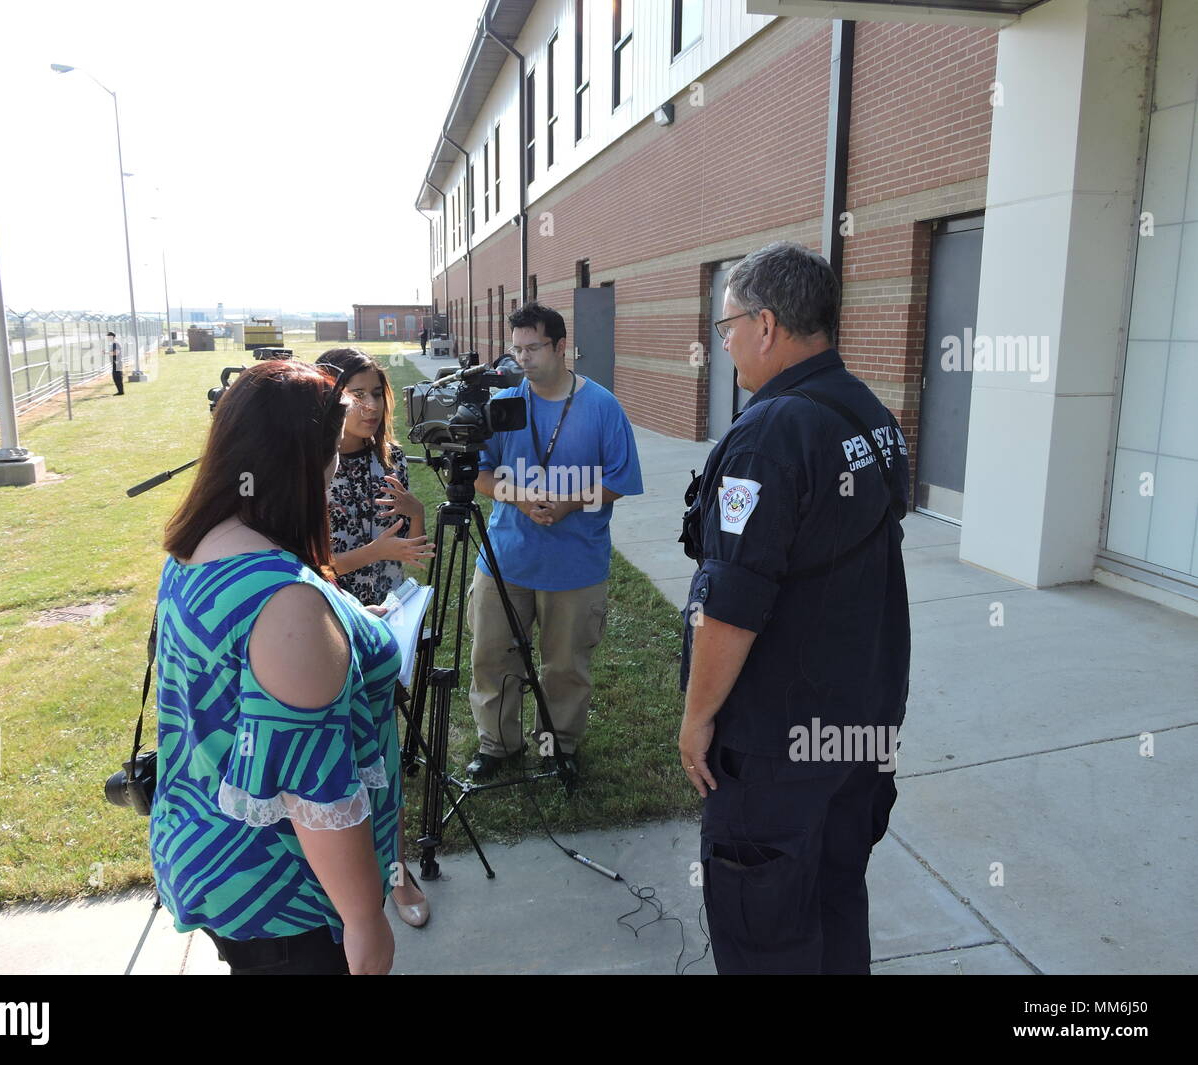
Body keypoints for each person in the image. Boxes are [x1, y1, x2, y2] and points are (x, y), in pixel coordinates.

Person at [677, 241, 910, 975]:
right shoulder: (870, 412)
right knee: (836, 902)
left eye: (728, 328)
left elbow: (733, 605)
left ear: (767, 325)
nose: (726, 345)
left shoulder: (771, 433)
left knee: (767, 937)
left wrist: (695, 717)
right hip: (856, 733)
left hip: (778, 751)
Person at [151, 359, 400, 975]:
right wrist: (366, 921)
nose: (338, 460)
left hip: (208, 853)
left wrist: (335, 622)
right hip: (293, 905)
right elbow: (313, 793)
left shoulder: (197, 545)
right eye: (331, 446)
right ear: (297, 461)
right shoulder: (285, 605)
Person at [466, 302, 644, 781]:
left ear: (561, 346)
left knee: (565, 666)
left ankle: (557, 745)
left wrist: (568, 503)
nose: (522, 358)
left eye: (533, 348)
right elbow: (479, 476)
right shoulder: (503, 403)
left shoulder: (603, 406)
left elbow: (621, 479)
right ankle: (498, 745)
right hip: (506, 558)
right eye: (516, 348)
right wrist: (520, 498)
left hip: (575, 566)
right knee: (491, 658)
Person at [315, 347, 434, 928]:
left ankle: (396, 870)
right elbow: (312, 563)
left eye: (375, 393)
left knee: (384, 755)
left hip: (388, 623)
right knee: (334, 759)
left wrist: (414, 513)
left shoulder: (391, 459)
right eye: (353, 394)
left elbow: (412, 547)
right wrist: (380, 550)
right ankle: (334, 877)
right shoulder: (309, 467)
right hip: (329, 629)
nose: (367, 405)